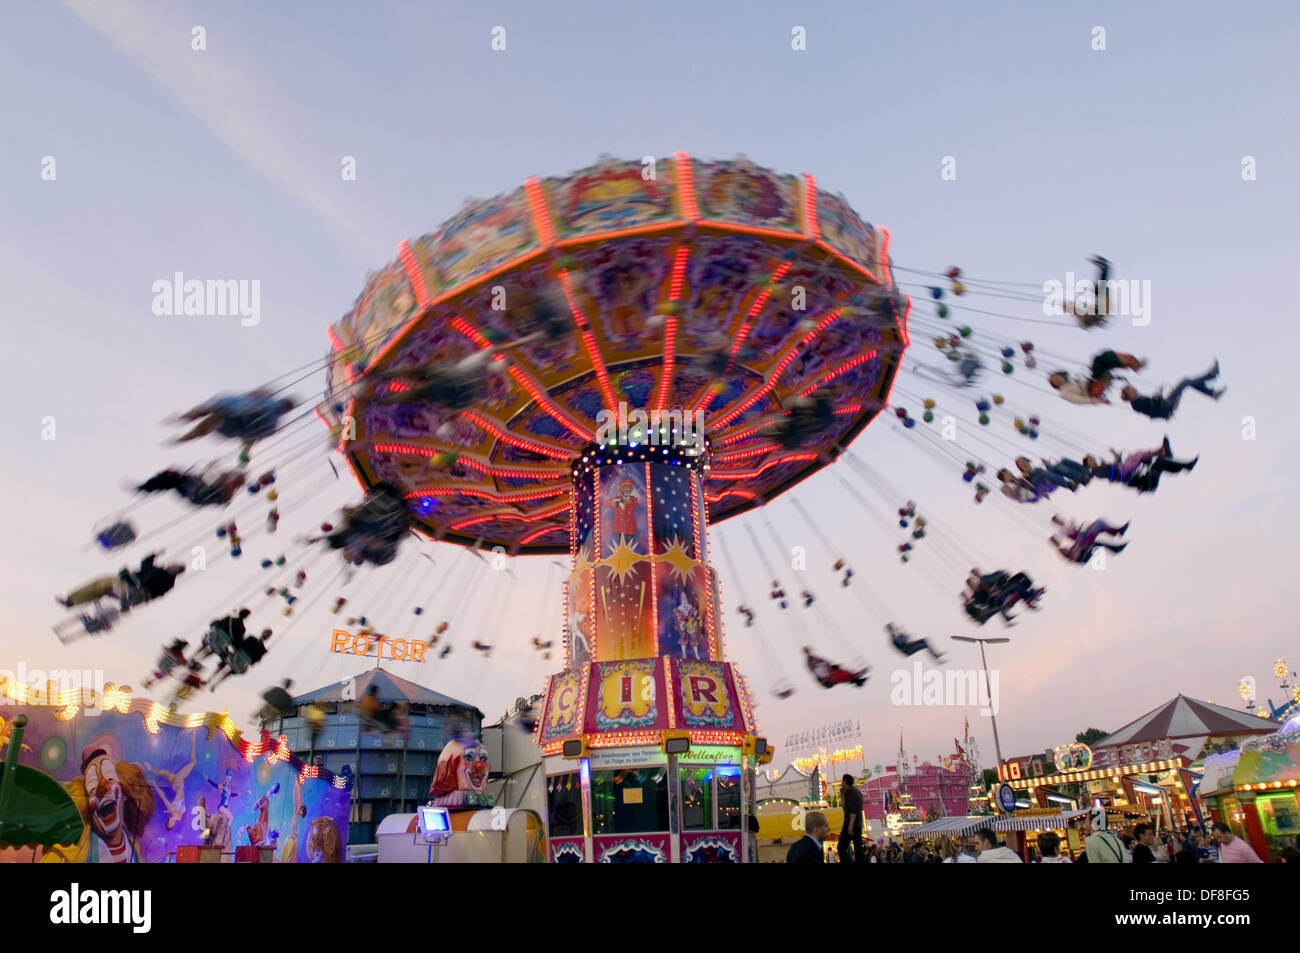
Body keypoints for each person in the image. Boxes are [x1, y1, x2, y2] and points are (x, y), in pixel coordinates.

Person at [167, 389, 298, 453]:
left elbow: (255, 394)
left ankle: (182, 419)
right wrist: (245, 452)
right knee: (202, 429)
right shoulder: (273, 424)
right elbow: (252, 438)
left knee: (206, 412)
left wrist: (258, 393)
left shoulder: (268, 401)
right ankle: (179, 439)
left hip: (231, 413)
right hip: (231, 429)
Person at [1121, 360, 1223, 420]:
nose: (1134, 389)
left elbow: (1152, 404)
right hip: (1167, 407)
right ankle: (1211, 375)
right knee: (1185, 381)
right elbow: (1152, 411)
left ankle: (1213, 393)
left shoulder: (1138, 400)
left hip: (1166, 405)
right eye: (1131, 389)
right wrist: (1156, 399)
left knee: (1188, 383)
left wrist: (1158, 396)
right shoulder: (1136, 403)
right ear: (1129, 394)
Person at [135, 465, 246, 507]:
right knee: (172, 477)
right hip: (195, 490)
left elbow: (222, 494)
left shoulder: (225, 493)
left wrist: (224, 481)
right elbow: (214, 480)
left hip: (196, 493)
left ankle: (145, 487)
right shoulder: (224, 488)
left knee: (173, 478)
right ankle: (146, 487)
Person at [1050, 516, 1129, 563]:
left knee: (1099, 524)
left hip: (1083, 540)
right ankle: (1116, 534)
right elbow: (1073, 554)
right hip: (1084, 544)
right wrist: (1078, 547)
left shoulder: (1067, 525)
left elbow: (1075, 540)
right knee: (1098, 525)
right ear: (1056, 522)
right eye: (1058, 520)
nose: (1060, 520)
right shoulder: (1063, 531)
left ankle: (1116, 537)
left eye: (1059, 519)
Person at [803, 646, 870, 688]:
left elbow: (827, 662)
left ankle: (857, 679)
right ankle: (856, 679)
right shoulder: (813, 666)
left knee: (843, 673)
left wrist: (830, 666)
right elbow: (816, 672)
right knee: (841, 674)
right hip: (828, 679)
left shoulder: (818, 660)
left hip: (831, 675)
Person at [838, 775, 865, 864]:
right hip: (858, 824)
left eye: (842, 781)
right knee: (858, 848)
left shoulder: (849, 792)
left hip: (850, 823)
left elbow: (852, 810)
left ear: (845, 781)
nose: (841, 783)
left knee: (841, 847)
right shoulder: (857, 792)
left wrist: (850, 826)